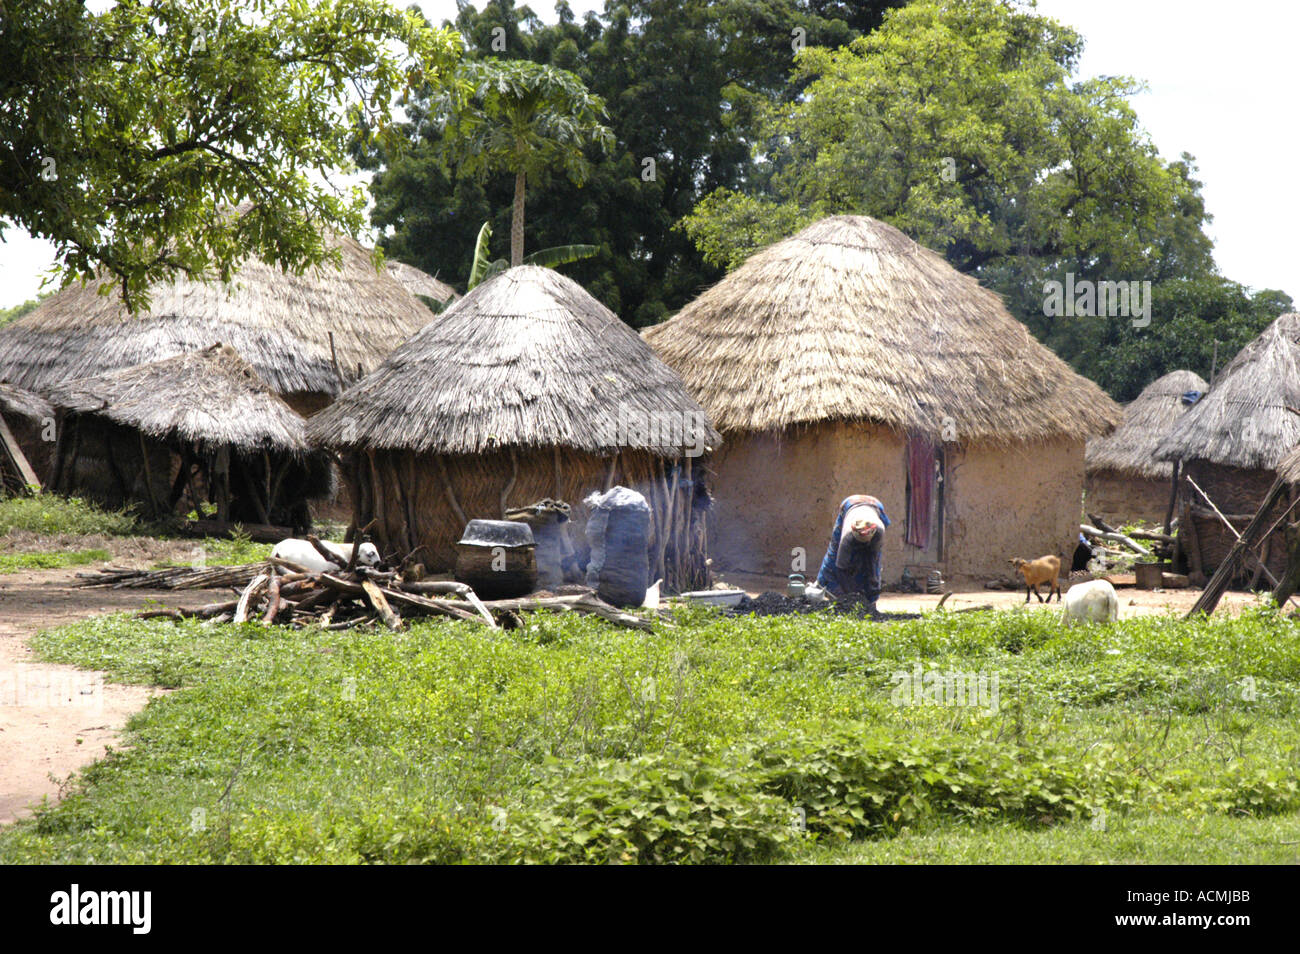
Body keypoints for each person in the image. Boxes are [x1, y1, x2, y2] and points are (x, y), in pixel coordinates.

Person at [815, 494, 891, 612]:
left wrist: (872, 589)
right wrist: (850, 595)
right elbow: (841, 567)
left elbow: (873, 561)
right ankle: (824, 584)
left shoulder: (879, 531)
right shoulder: (847, 536)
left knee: (872, 564)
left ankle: (871, 601)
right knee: (833, 555)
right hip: (849, 504)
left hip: (875, 506)